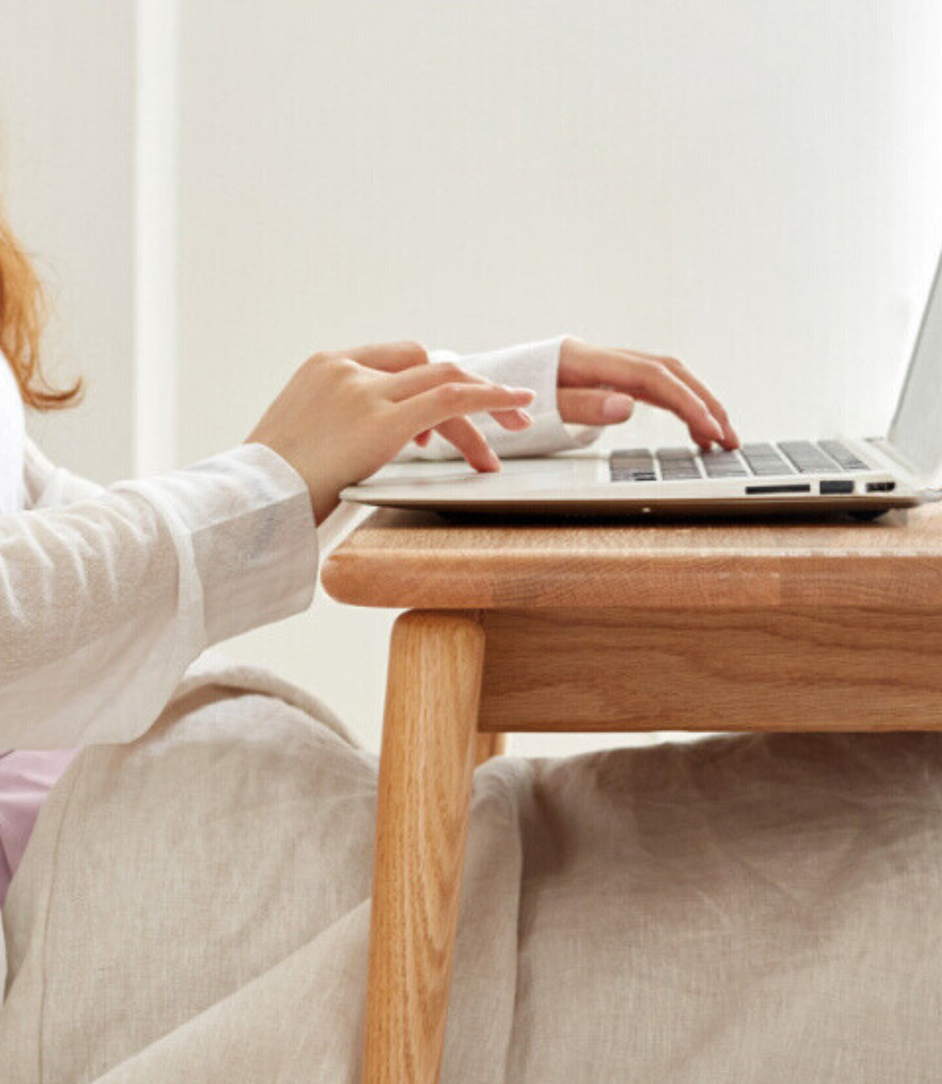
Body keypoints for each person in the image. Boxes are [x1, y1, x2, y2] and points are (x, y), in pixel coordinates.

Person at [0, 198, 739, 901]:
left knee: (693, 829)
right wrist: (265, 481)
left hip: (161, 802)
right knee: (686, 855)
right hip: (106, 859)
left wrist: (414, 418)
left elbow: (51, 522)